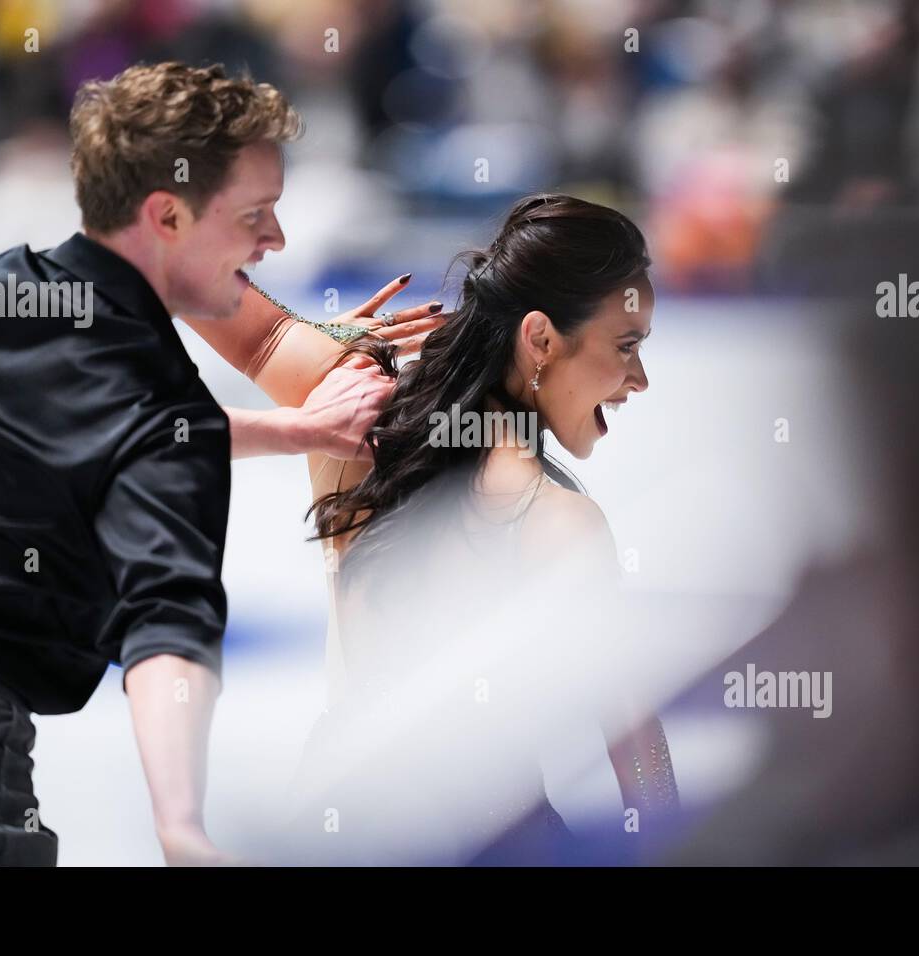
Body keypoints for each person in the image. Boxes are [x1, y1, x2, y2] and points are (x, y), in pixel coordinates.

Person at [0, 61, 434, 866]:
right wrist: (181, 823)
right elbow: (167, 632)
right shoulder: (158, 429)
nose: (278, 240)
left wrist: (292, 425)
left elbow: (84, 421)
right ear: (167, 213)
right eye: (256, 214)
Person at [190, 195, 682, 864]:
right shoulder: (556, 523)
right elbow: (640, 760)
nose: (640, 379)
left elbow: (180, 269)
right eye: (626, 346)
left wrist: (316, 339)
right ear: (539, 338)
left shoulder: (348, 400)